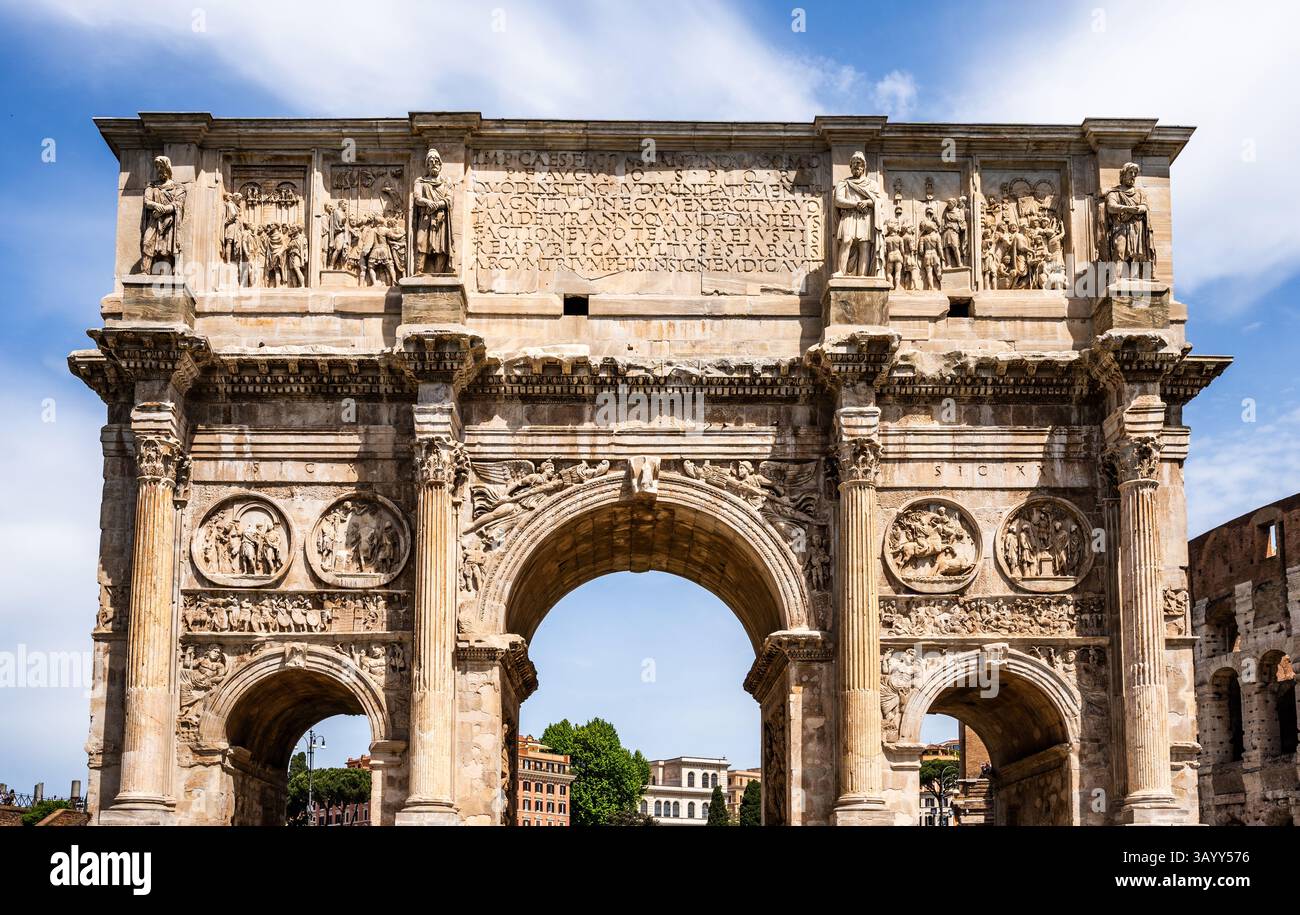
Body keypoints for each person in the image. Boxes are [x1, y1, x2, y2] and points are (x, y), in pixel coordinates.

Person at [832, 151, 886, 277]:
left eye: (859, 163)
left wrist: (866, 203)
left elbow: (879, 201)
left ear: (864, 166)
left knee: (864, 245)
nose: (856, 166)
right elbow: (838, 201)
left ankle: (863, 275)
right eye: (853, 163)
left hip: (865, 217)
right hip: (849, 216)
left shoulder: (872, 184)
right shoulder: (843, 183)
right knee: (846, 241)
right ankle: (841, 271)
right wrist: (856, 204)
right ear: (850, 167)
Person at [140, 156, 186, 274]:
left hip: (169, 221)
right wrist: (156, 205)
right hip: (154, 220)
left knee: (166, 249)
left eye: (162, 166)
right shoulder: (151, 186)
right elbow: (147, 201)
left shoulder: (178, 187)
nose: (159, 169)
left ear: (168, 168)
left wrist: (164, 209)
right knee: (146, 242)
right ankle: (145, 271)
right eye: (157, 167)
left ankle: (166, 273)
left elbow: (178, 204)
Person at [413, 148, 453, 274]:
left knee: (441, 246)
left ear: (440, 164)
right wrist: (428, 202)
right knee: (421, 243)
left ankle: (438, 274)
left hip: (441, 219)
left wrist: (438, 204)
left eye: (436, 161)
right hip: (425, 217)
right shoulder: (420, 181)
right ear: (427, 165)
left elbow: (450, 198)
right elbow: (417, 198)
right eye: (431, 161)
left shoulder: (446, 182)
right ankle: (418, 272)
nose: (434, 163)